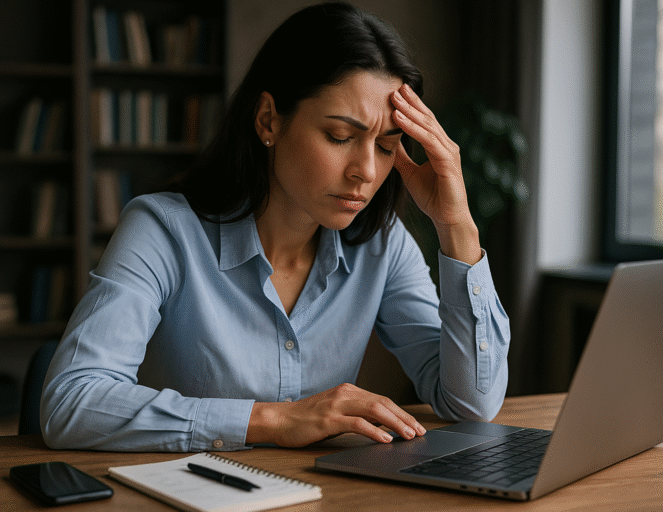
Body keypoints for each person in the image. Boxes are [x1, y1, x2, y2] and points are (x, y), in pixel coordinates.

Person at [41, 2, 510, 452]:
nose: (366, 171)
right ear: (269, 119)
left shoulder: (381, 246)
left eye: (387, 146)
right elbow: (71, 402)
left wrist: (456, 224)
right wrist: (275, 420)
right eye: (340, 136)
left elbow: (472, 404)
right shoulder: (162, 230)